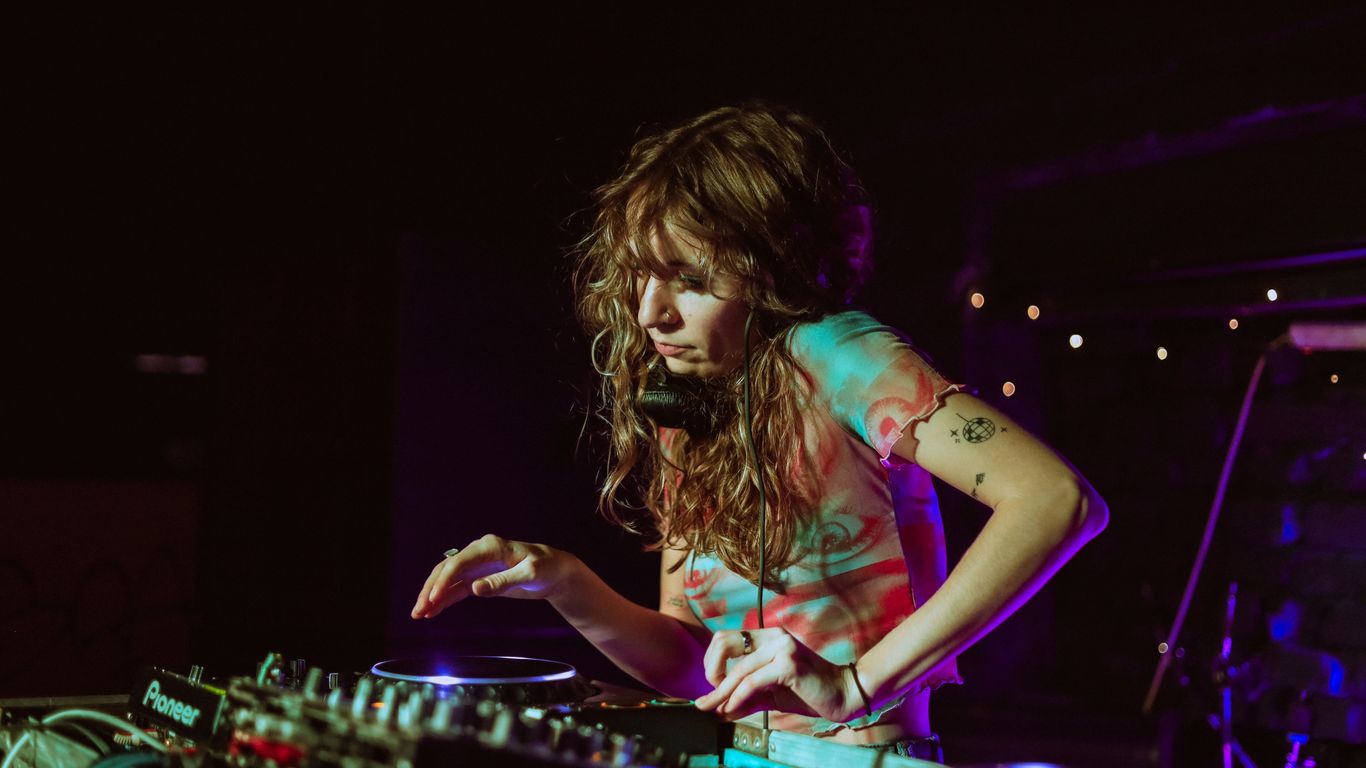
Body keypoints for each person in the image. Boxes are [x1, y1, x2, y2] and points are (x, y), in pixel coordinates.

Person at [409, 102, 1107, 761]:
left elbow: (1055, 500)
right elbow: (690, 667)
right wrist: (569, 584)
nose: (651, 312)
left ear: (767, 268)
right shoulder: (690, 405)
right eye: (641, 277)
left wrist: (857, 686)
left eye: (689, 279)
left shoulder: (840, 355)